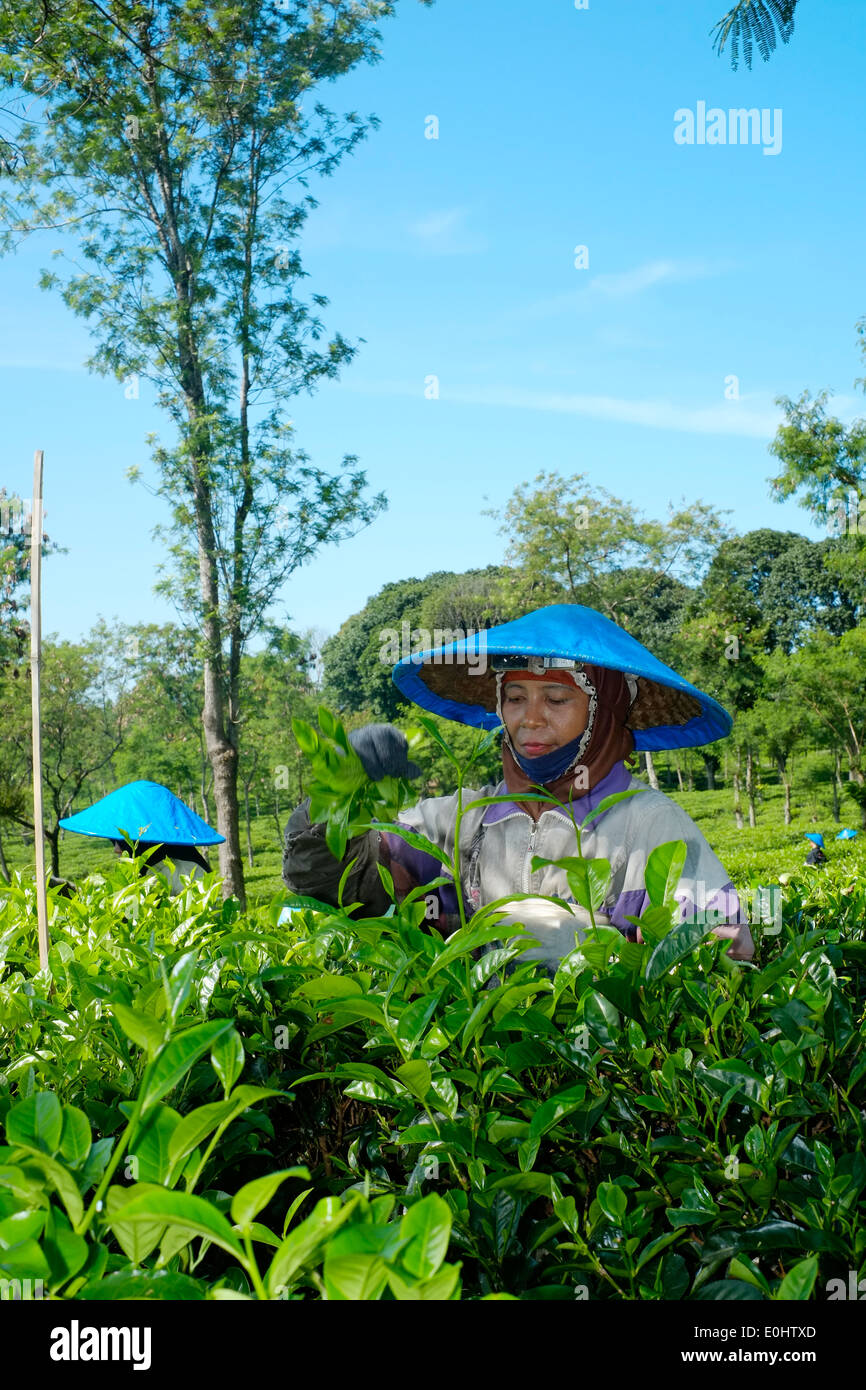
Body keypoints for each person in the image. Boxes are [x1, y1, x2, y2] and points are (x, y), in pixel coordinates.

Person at [283, 604, 755, 966]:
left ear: (603, 713)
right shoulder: (461, 820)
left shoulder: (648, 823)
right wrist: (338, 793)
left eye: (556, 698)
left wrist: (596, 950)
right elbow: (335, 883)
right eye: (514, 697)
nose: (529, 718)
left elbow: (721, 947)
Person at [59, 780, 224, 894]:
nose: (117, 850)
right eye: (114, 842)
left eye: (122, 843)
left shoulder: (183, 871)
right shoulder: (147, 869)